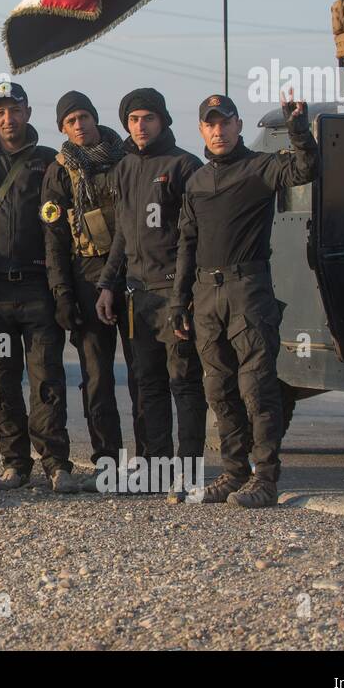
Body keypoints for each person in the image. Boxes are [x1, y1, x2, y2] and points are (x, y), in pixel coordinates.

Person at [172, 91, 318, 508]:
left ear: (238, 126)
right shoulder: (196, 181)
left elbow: (306, 168)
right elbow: (186, 242)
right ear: (201, 129)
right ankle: (234, 474)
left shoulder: (260, 168)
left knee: (257, 387)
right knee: (218, 389)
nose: (219, 131)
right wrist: (178, 303)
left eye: (226, 122)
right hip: (205, 295)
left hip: (248, 291)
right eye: (210, 124)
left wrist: (298, 129)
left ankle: (265, 478)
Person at [0, 81, 75, 493]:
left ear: (27, 112)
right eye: (1, 111)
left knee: (46, 380)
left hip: (37, 290)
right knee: (3, 380)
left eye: (16, 110)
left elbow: (58, 225)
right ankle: (15, 462)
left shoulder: (47, 161)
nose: (9, 118)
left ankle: (57, 464)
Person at [93, 88, 206, 500]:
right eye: (134, 119)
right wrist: (107, 283)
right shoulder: (123, 169)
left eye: (149, 118)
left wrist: (185, 295)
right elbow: (123, 234)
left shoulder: (184, 166)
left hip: (176, 293)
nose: (141, 126)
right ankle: (155, 469)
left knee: (185, 384)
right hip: (137, 295)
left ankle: (189, 472)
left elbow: (195, 237)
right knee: (148, 385)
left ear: (163, 121)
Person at [40, 91, 140, 491]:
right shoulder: (60, 171)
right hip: (84, 275)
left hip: (132, 274)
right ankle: (107, 460)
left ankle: (152, 457)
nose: (78, 125)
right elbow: (54, 239)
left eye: (84, 117)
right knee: (96, 376)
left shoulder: (126, 160)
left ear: (96, 118)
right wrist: (62, 293)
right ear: (63, 128)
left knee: (143, 373)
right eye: (70, 121)